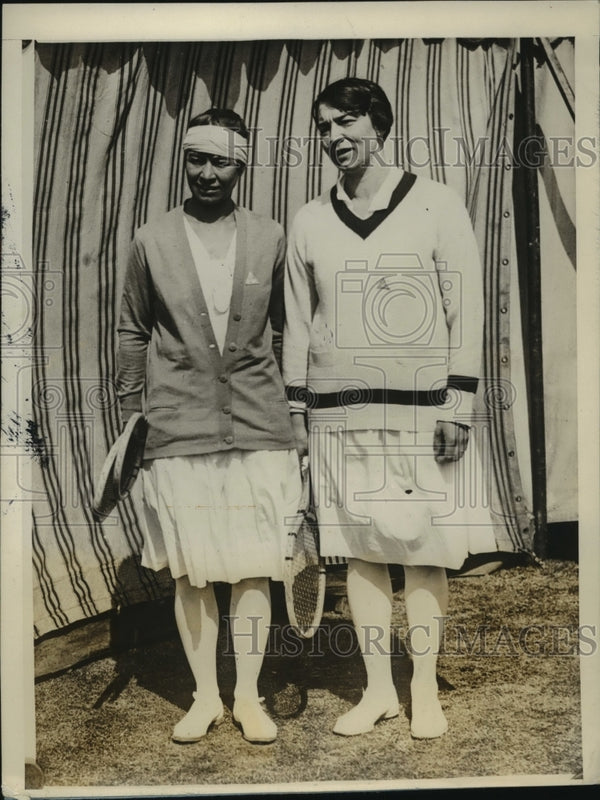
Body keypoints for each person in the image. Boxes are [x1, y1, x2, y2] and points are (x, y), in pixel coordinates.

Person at [283, 78, 497, 739]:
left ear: (379, 125)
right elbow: (296, 322)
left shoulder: (435, 204)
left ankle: (423, 691)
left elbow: (466, 309)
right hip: (336, 416)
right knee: (363, 556)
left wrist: (458, 405)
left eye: (344, 122)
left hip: (421, 413)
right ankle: (378, 691)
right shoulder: (310, 219)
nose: (332, 138)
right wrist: (297, 414)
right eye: (322, 128)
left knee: (423, 553)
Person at [117, 109, 300, 744]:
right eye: (196, 158)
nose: (207, 172)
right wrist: (132, 415)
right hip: (178, 426)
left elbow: (290, 329)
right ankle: (203, 697)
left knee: (254, 566)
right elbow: (133, 331)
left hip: (258, 423)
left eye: (221, 160)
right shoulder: (152, 239)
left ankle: (248, 697)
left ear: (242, 165)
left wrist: (294, 408)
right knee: (193, 570)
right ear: (184, 161)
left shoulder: (270, 237)